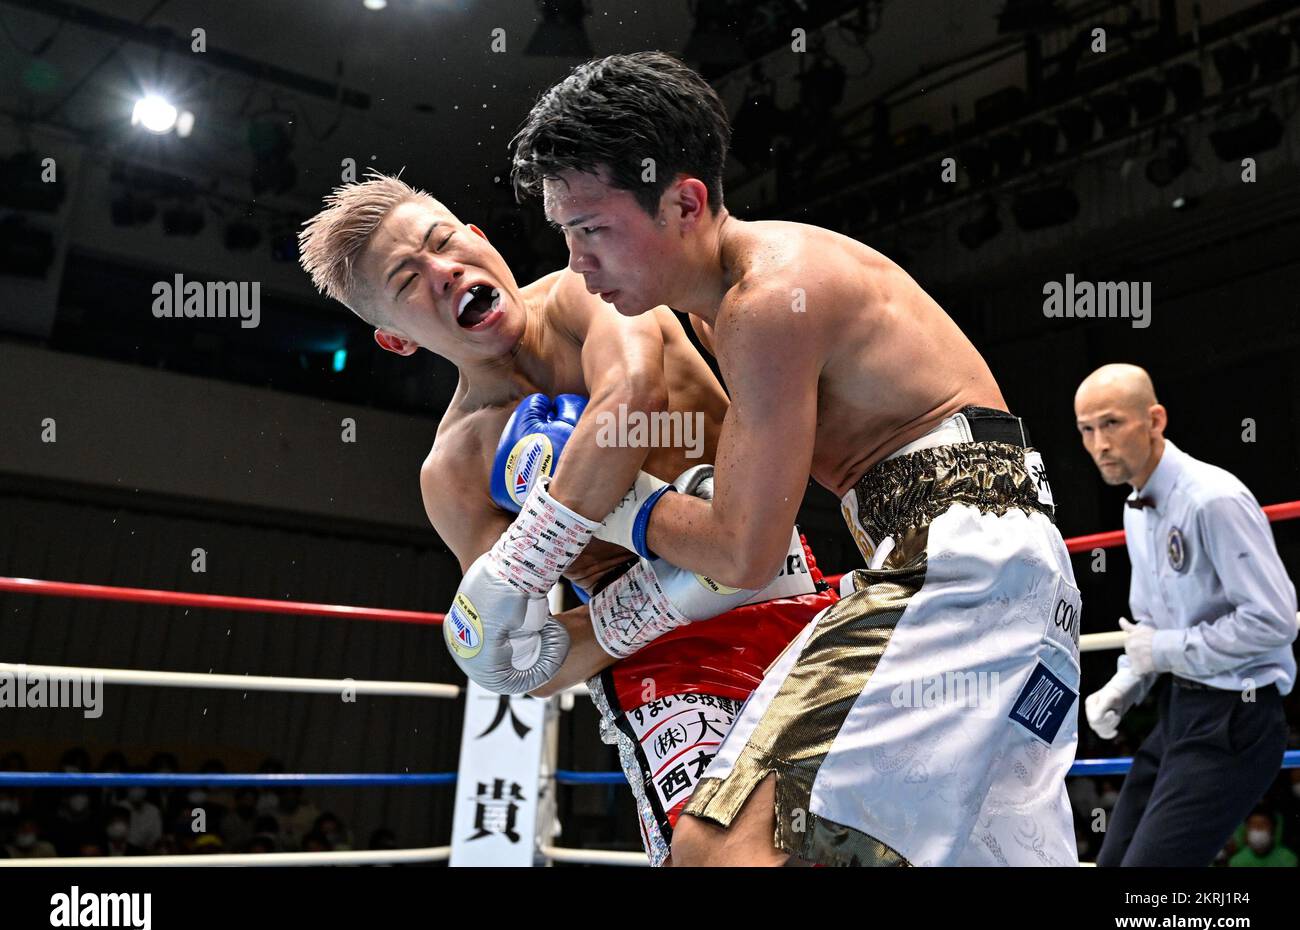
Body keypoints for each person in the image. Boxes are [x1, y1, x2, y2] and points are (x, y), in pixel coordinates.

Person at [509, 51, 1079, 867]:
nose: (577, 261)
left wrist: (601, 497)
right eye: (566, 233)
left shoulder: (768, 300)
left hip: (958, 566)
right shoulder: (727, 308)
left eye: (593, 229)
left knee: (722, 847)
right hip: (994, 567)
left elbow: (743, 550)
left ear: (684, 201)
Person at [297, 173, 835, 864]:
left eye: (444, 242)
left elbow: (633, 398)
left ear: (479, 238)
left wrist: (533, 544)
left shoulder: (593, 288)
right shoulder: (455, 469)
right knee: (721, 855)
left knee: (862, 830)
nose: (443, 271)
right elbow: (525, 657)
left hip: (788, 591)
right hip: (664, 664)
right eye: (408, 281)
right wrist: (667, 596)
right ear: (396, 340)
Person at [1074, 363, 1295, 866]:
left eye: (1111, 424)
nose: (1099, 444)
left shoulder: (1213, 499)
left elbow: (1275, 620)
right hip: (1181, 709)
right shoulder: (1136, 508)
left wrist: (1164, 650)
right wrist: (1126, 684)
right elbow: (1150, 626)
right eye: (1086, 429)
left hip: (1239, 717)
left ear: (1155, 420)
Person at [1228, 809, 1296, 867]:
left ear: (1273, 829)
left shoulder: (1288, 859)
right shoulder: (1237, 862)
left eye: (1262, 825)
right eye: (1253, 825)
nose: (1257, 830)